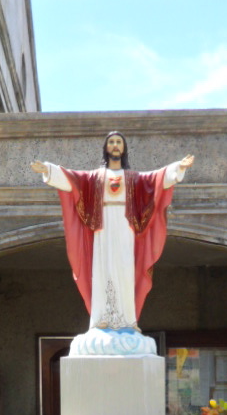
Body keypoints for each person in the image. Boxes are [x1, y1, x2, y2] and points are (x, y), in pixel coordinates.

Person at [31, 132, 193, 336]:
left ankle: (127, 319)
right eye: (111, 142)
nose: (115, 145)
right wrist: (48, 169)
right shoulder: (95, 177)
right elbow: (73, 179)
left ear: (124, 148)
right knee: (102, 268)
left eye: (119, 142)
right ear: (106, 148)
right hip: (103, 227)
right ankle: (101, 318)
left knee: (125, 268)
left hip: (126, 226)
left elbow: (155, 179)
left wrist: (178, 168)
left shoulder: (133, 178)